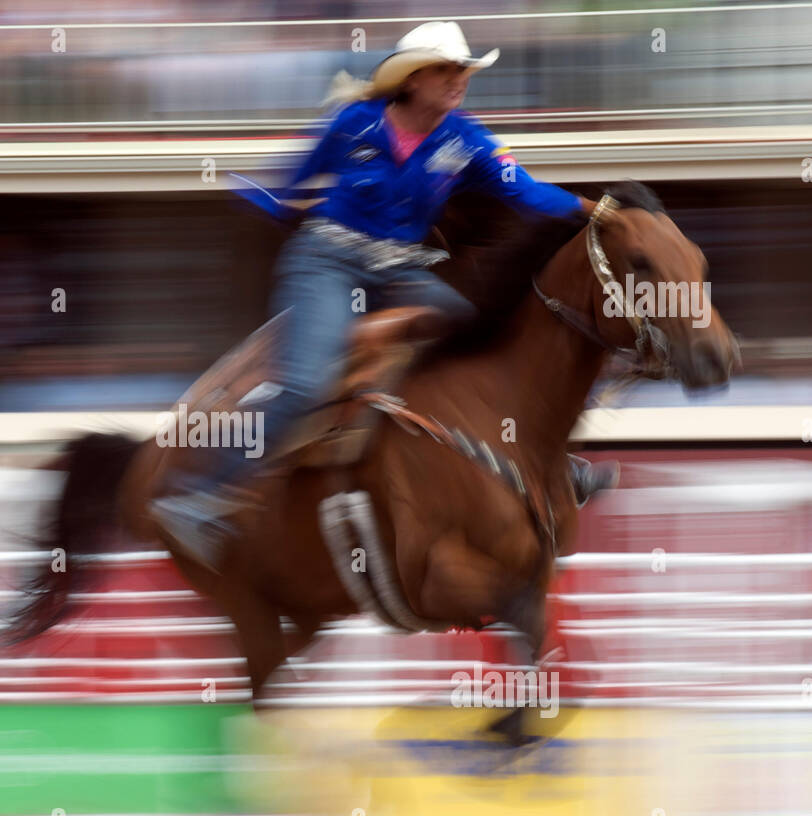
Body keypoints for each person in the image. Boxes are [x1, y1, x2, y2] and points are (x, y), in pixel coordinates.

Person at [152, 21, 619, 572]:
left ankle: (556, 463)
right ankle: (200, 498)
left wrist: (597, 211)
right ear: (414, 79)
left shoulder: (465, 140)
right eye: (448, 70)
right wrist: (266, 206)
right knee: (306, 384)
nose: (460, 80)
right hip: (326, 263)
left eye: (464, 71)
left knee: (487, 342)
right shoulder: (352, 123)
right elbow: (290, 184)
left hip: (400, 271)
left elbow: (527, 190)